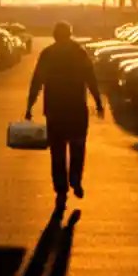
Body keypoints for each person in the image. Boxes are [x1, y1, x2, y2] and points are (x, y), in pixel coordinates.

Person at [25, 21, 103, 209]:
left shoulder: (48, 54)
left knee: (57, 152)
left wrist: (29, 106)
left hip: (55, 110)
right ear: (70, 34)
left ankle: (61, 188)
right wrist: (98, 102)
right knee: (78, 147)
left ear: (54, 35)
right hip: (76, 109)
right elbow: (91, 78)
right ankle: (75, 179)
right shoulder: (79, 52)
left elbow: (37, 81)